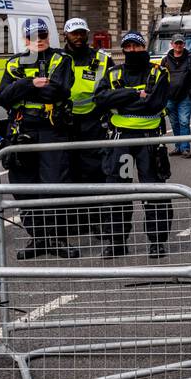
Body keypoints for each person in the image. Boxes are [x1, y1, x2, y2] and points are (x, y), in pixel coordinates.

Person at [0, 17, 77, 260]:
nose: (38, 41)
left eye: (42, 36)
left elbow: (59, 90)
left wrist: (22, 89)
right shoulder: (13, 63)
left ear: (48, 36)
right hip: (22, 131)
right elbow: (4, 97)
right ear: (25, 39)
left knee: (53, 185)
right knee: (24, 187)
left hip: (52, 129)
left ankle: (56, 238)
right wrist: (31, 83)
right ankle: (39, 237)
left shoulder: (61, 59)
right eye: (32, 37)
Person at [94, 32, 174, 259]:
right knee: (119, 191)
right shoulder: (113, 73)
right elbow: (100, 100)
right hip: (122, 141)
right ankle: (117, 241)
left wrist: (120, 99)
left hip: (149, 140)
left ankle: (157, 241)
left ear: (143, 47)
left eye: (136, 46)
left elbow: (153, 103)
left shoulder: (159, 72)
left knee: (154, 191)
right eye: (127, 47)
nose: (132, 51)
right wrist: (132, 94)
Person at [60, 17, 111, 240]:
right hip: (63, 121)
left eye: (82, 33)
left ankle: (97, 221)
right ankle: (75, 221)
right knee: (68, 172)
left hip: (92, 121)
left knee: (94, 173)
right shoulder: (57, 59)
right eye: (74, 33)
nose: (79, 37)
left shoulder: (101, 59)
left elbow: (109, 88)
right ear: (66, 35)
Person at [161, 34, 191, 159]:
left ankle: (185, 148)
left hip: (185, 97)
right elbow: (161, 79)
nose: (178, 45)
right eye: (176, 43)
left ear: (184, 44)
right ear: (171, 44)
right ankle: (178, 147)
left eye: (180, 43)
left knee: (184, 122)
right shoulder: (165, 60)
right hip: (169, 97)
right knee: (174, 123)